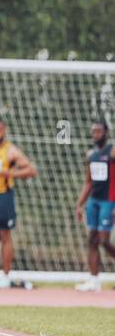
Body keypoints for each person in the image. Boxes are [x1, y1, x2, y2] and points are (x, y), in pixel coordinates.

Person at [0, 118, 36, 287]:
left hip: (3, 196)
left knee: (5, 235)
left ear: (4, 130)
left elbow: (31, 169)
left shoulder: (11, 151)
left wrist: (6, 173)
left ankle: (5, 274)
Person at [75, 118, 115, 292]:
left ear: (106, 133)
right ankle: (93, 280)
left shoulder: (112, 151)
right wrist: (80, 204)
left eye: (99, 131)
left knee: (105, 241)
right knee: (92, 239)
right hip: (94, 201)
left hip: (109, 200)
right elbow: (88, 182)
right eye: (93, 131)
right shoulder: (91, 155)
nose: (95, 134)